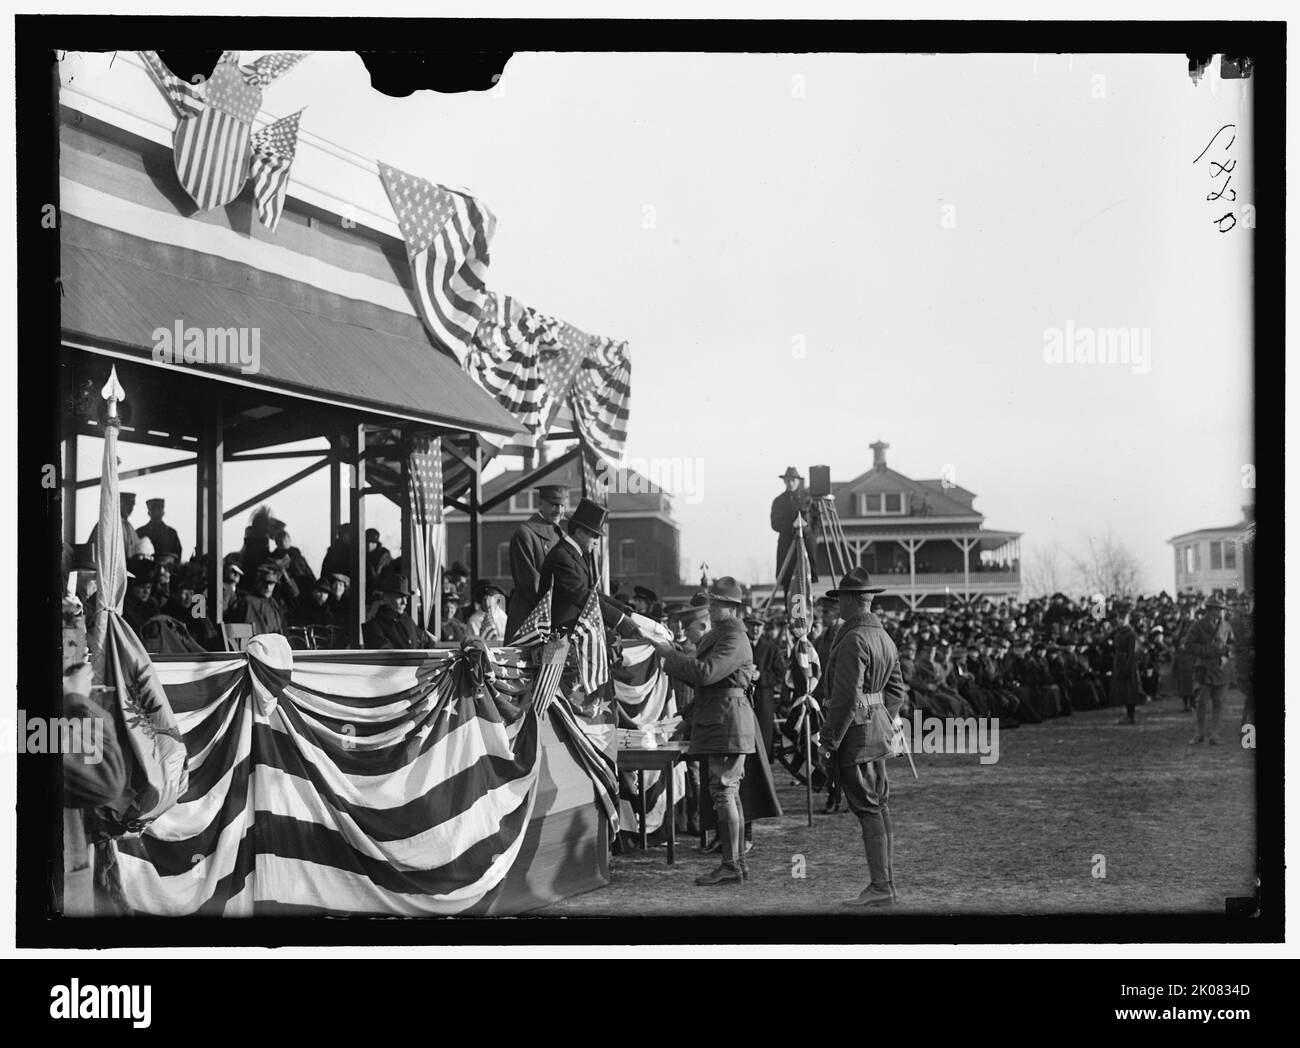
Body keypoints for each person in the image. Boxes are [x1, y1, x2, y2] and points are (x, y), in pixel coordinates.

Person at [644, 576, 757, 886]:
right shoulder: (723, 635)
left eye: (718, 603)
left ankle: (731, 864)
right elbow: (701, 674)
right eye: (713, 601)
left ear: (732, 608)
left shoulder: (732, 638)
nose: (712, 607)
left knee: (724, 792)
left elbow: (705, 674)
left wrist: (669, 654)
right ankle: (736, 862)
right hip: (721, 719)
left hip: (726, 722)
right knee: (727, 793)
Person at [816, 567, 906, 908]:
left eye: (840, 599)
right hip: (875, 733)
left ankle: (881, 886)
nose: (836, 606)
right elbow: (896, 691)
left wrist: (828, 739)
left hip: (855, 735)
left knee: (868, 808)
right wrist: (880, 717)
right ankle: (886, 884)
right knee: (878, 806)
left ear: (853, 601)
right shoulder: (883, 637)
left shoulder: (853, 638)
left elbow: (845, 699)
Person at [537, 498, 636, 634]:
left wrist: (626, 612)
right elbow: (582, 595)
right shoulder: (561, 557)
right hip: (558, 639)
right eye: (594, 536)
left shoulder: (575, 555)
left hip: (573, 635)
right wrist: (620, 620)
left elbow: (592, 593)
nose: (596, 542)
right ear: (579, 532)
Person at [505, 484, 567, 639]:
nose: (558, 510)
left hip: (554, 618)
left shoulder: (563, 536)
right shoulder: (525, 534)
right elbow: (531, 584)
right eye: (553, 504)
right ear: (540, 503)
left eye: (562, 505)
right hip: (529, 620)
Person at [1183, 597, 1235, 745]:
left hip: (1221, 669)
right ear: (1209, 609)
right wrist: (1208, 650)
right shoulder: (1198, 626)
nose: (1219, 612)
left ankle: (1215, 735)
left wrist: (1226, 654)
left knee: (1219, 702)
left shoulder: (1226, 626)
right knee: (1201, 702)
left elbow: (1232, 645)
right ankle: (1199, 734)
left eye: (1221, 609)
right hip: (1204, 669)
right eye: (1216, 609)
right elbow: (1188, 645)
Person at [770, 467, 813, 602]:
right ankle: (791, 618)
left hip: (805, 545)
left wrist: (807, 531)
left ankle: (807, 619)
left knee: (806, 580)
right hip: (787, 545)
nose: (790, 483)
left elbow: (816, 521)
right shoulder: (779, 501)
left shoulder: (808, 499)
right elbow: (775, 523)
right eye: (788, 480)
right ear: (784, 481)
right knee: (788, 582)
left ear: (798, 481)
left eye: (793, 480)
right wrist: (792, 527)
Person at [363, 572, 432, 649]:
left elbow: (423, 643)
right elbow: (385, 655)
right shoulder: (374, 626)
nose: (404, 602)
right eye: (400, 597)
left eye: (406, 597)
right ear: (386, 598)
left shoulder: (408, 621)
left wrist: (430, 642)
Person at [234, 562, 289, 637]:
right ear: (258, 582)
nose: (268, 587)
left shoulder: (273, 603)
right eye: (265, 583)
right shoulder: (249, 602)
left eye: (271, 583)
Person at [1111, 604, 1143, 725]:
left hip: (1128, 663)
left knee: (1130, 690)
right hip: (1119, 662)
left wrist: (1128, 666)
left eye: (1122, 618)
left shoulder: (1130, 633)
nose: (1119, 620)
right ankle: (1128, 715)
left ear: (1127, 619)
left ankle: (1131, 716)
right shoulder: (1119, 632)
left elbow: (1133, 652)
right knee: (1123, 690)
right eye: (1119, 618)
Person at [88, 491, 142, 558]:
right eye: (127, 504)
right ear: (118, 504)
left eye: (132, 505)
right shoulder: (106, 524)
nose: (130, 508)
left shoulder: (129, 527)